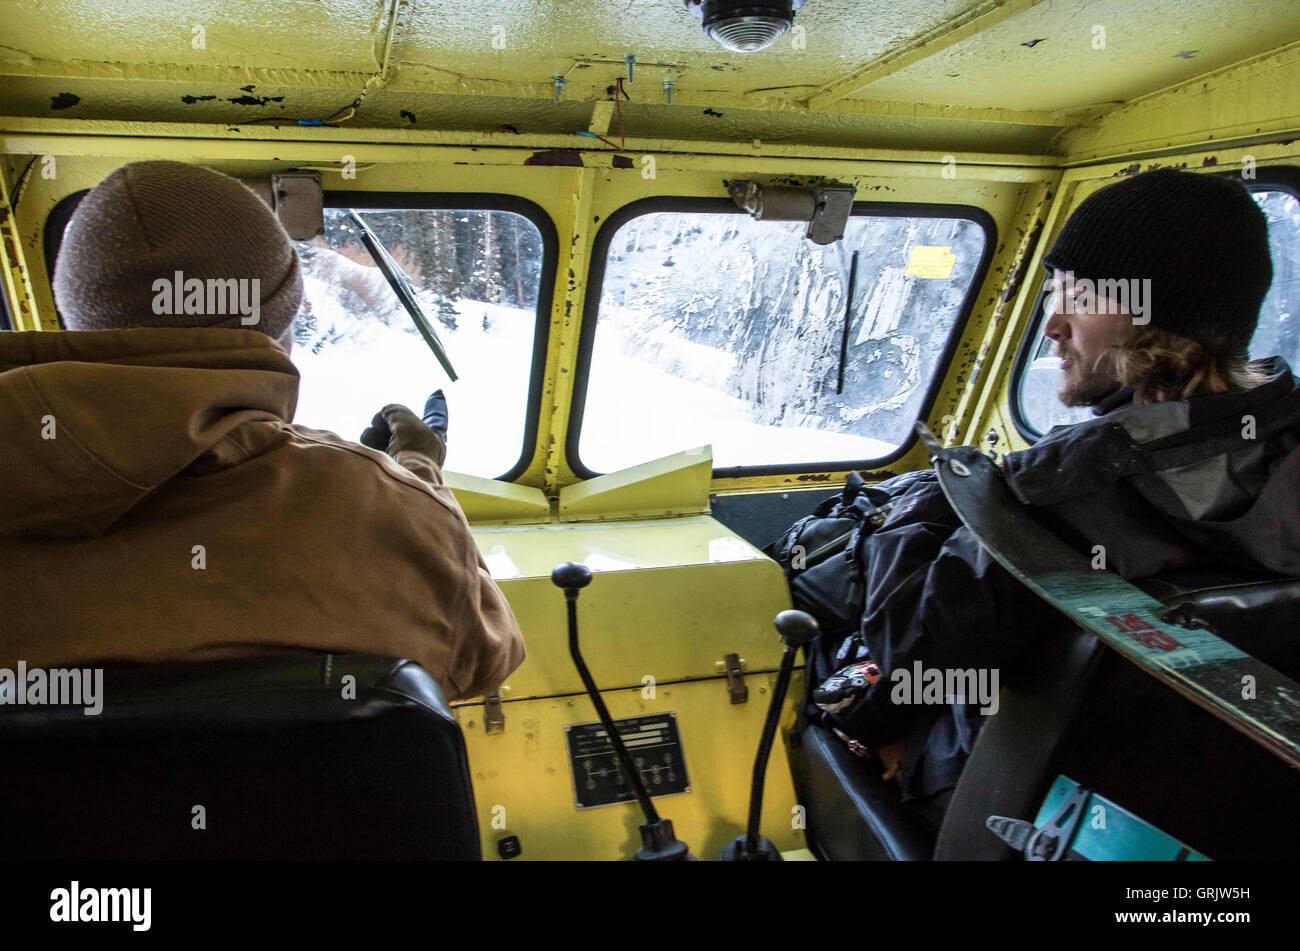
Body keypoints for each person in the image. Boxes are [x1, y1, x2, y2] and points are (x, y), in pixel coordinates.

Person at [803, 168, 1300, 831]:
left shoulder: (1057, 495)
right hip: (1224, 819)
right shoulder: (1282, 449)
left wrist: (920, 522)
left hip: (1008, 811)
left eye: (1080, 293)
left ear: (1159, 312)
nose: (1051, 325)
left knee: (817, 687)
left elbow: (917, 659)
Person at [0, 160, 524, 702]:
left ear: (76, 320)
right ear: (277, 324)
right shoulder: (384, 513)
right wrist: (417, 477)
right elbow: (483, 657)